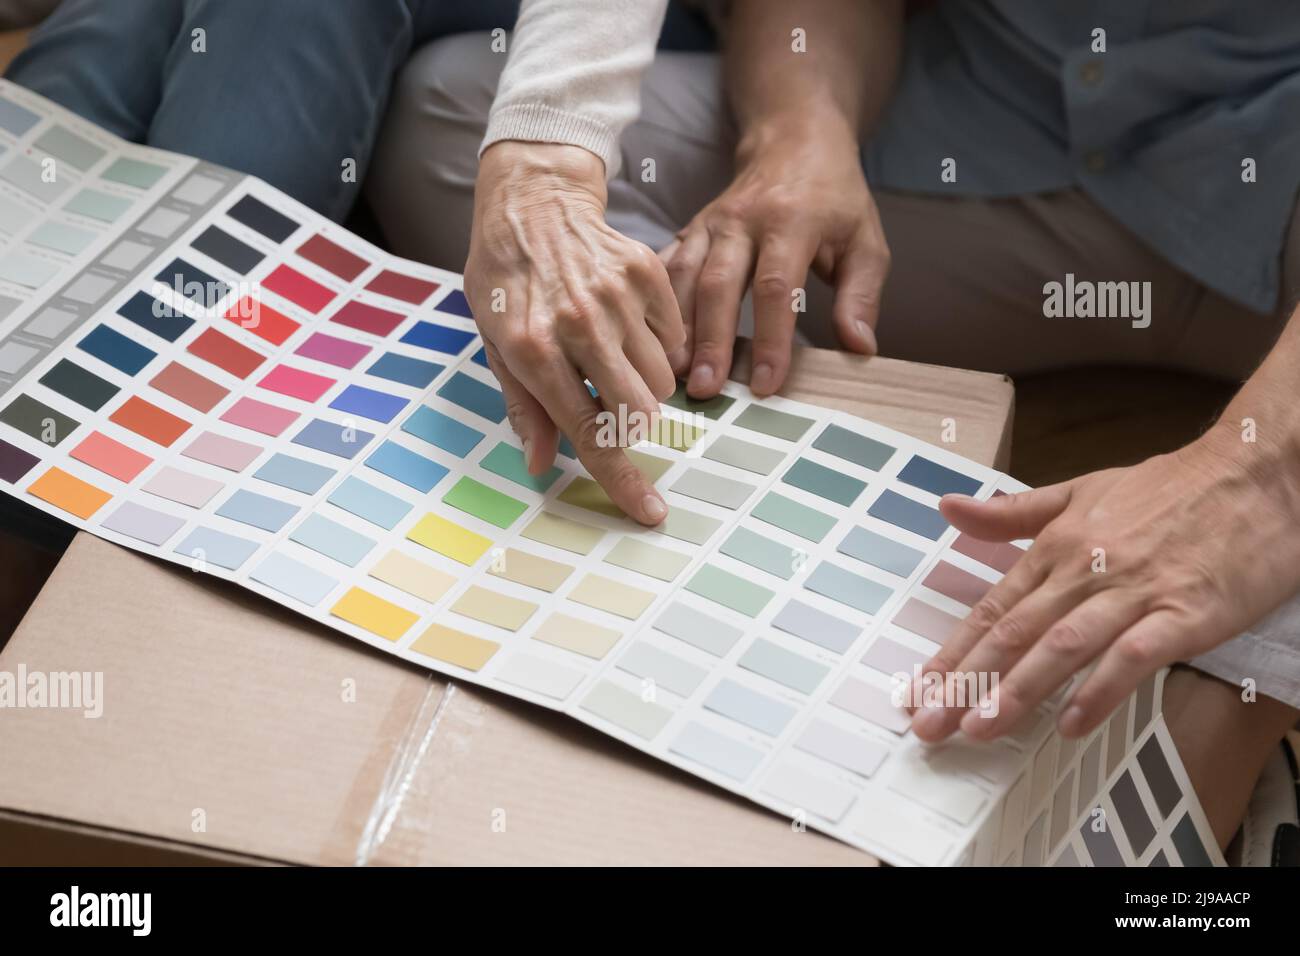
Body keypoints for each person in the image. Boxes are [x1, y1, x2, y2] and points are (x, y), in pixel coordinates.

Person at [368, 0, 1300, 860]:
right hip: (990, 126)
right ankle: (735, 485)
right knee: (456, 113)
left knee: (1115, 806)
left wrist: (1255, 484)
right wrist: (799, 130)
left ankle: (1235, 720)